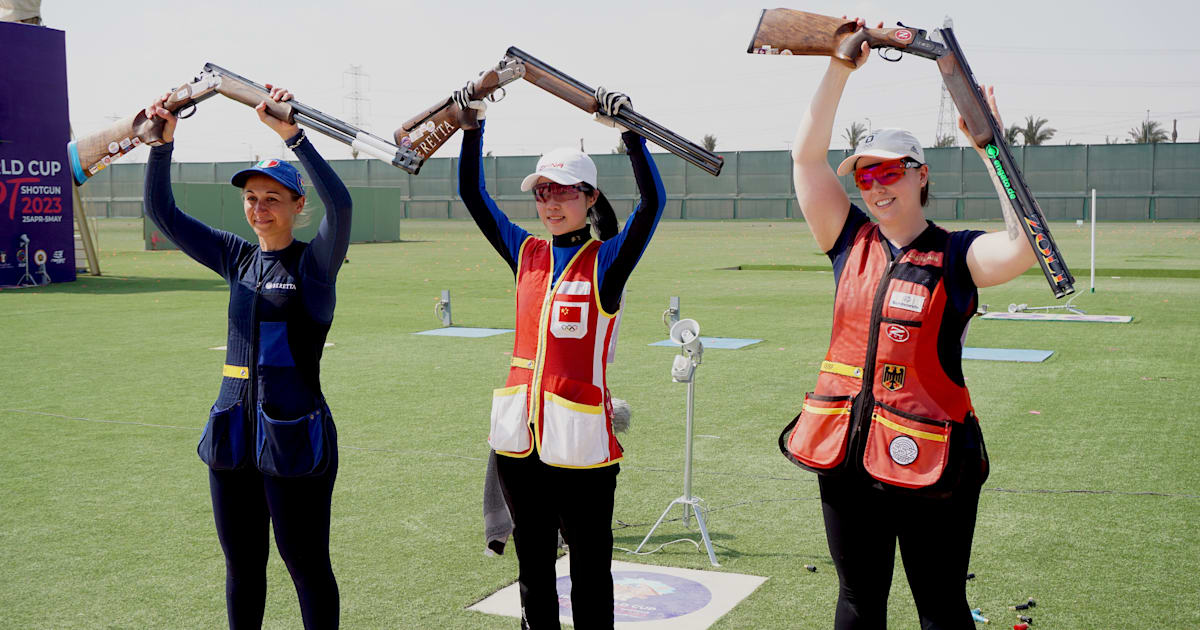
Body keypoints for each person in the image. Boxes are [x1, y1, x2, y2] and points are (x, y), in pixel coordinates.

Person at [780, 18, 1037, 630]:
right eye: (865, 176)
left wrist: (992, 148)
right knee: (858, 601)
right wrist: (839, 65)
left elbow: (1023, 246)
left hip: (935, 461)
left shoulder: (957, 254)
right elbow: (805, 155)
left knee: (941, 607)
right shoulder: (845, 240)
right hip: (846, 458)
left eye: (889, 172)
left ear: (921, 174)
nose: (876, 187)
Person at [454, 85, 665, 630]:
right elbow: (474, 196)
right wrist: (472, 125)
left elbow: (652, 206)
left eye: (565, 191)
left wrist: (632, 136)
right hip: (520, 440)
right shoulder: (525, 251)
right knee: (533, 565)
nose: (550, 201)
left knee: (591, 568)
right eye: (543, 190)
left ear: (590, 198)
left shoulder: (607, 260)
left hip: (582, 443)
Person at [142, 85, 351, 629]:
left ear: (297, 206)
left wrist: (293, 138)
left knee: (305, 566)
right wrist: (161, 146)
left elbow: (344, 205)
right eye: (251, 198)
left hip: (293, 435)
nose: (259, 209)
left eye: (272, 199)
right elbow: (162, 213)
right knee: (241, 566)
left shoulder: (314, 268)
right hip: (232, 435)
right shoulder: (236, 258)